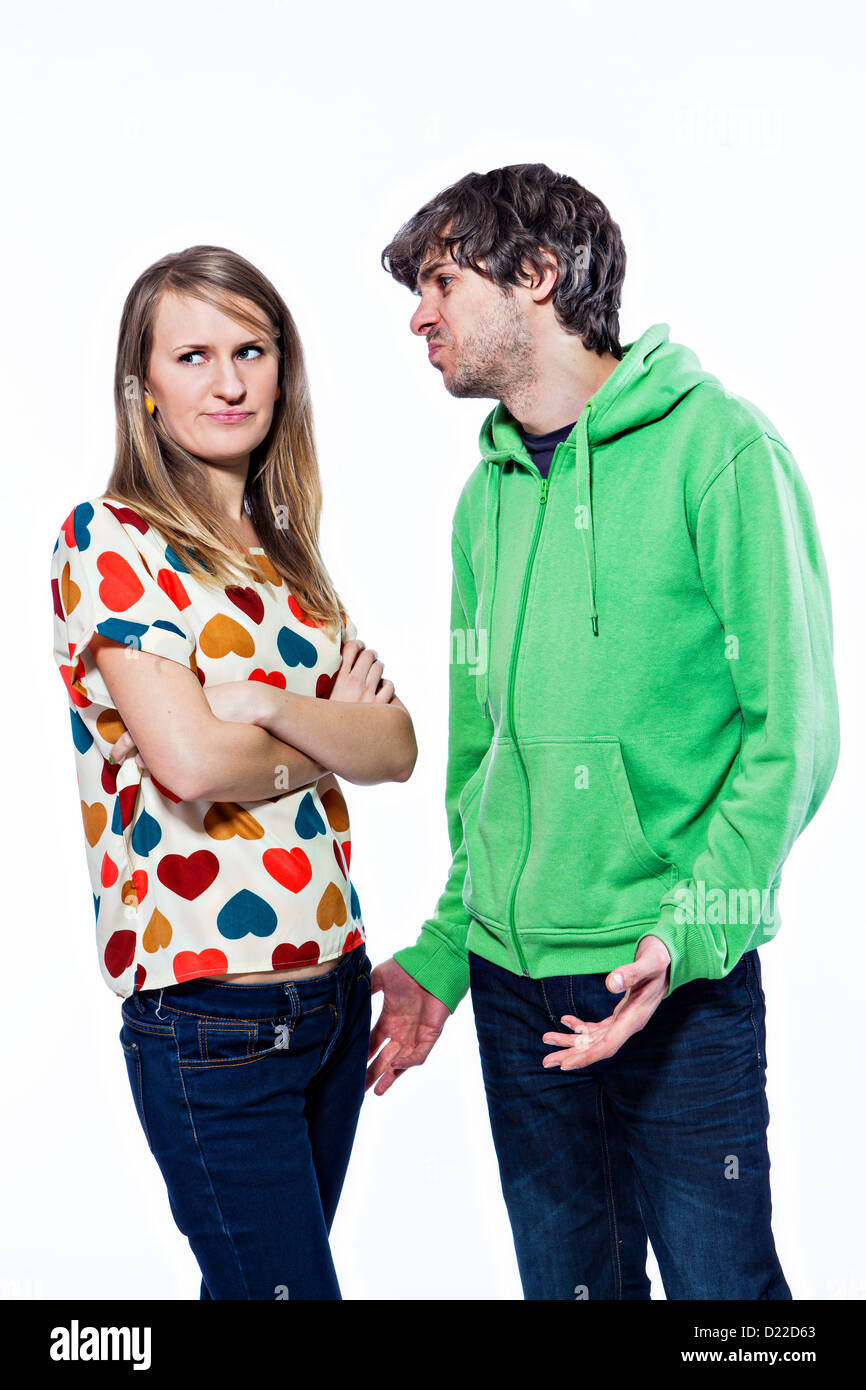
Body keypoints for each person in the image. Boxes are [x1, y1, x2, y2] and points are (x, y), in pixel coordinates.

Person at [367, 163, 840, 1300]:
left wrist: (686, 933)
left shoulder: (717, 451)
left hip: (669, 984)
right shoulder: (483, 500)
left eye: (439, 280)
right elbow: (483, 761)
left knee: (728, 1310)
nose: (417, 317)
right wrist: (445, 952)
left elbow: (794, 730)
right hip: (515, 989)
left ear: (535, 274)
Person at [49, 244, 417, 1300]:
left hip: (335, 998)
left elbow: (394, 748)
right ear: (145, 388)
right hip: (212, 1020)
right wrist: (318, 729)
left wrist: (259, 705)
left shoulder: (284, 554)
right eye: (194, 354)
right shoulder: (111, 539)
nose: (228, 380)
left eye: (250, 349)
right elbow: (190, 759)